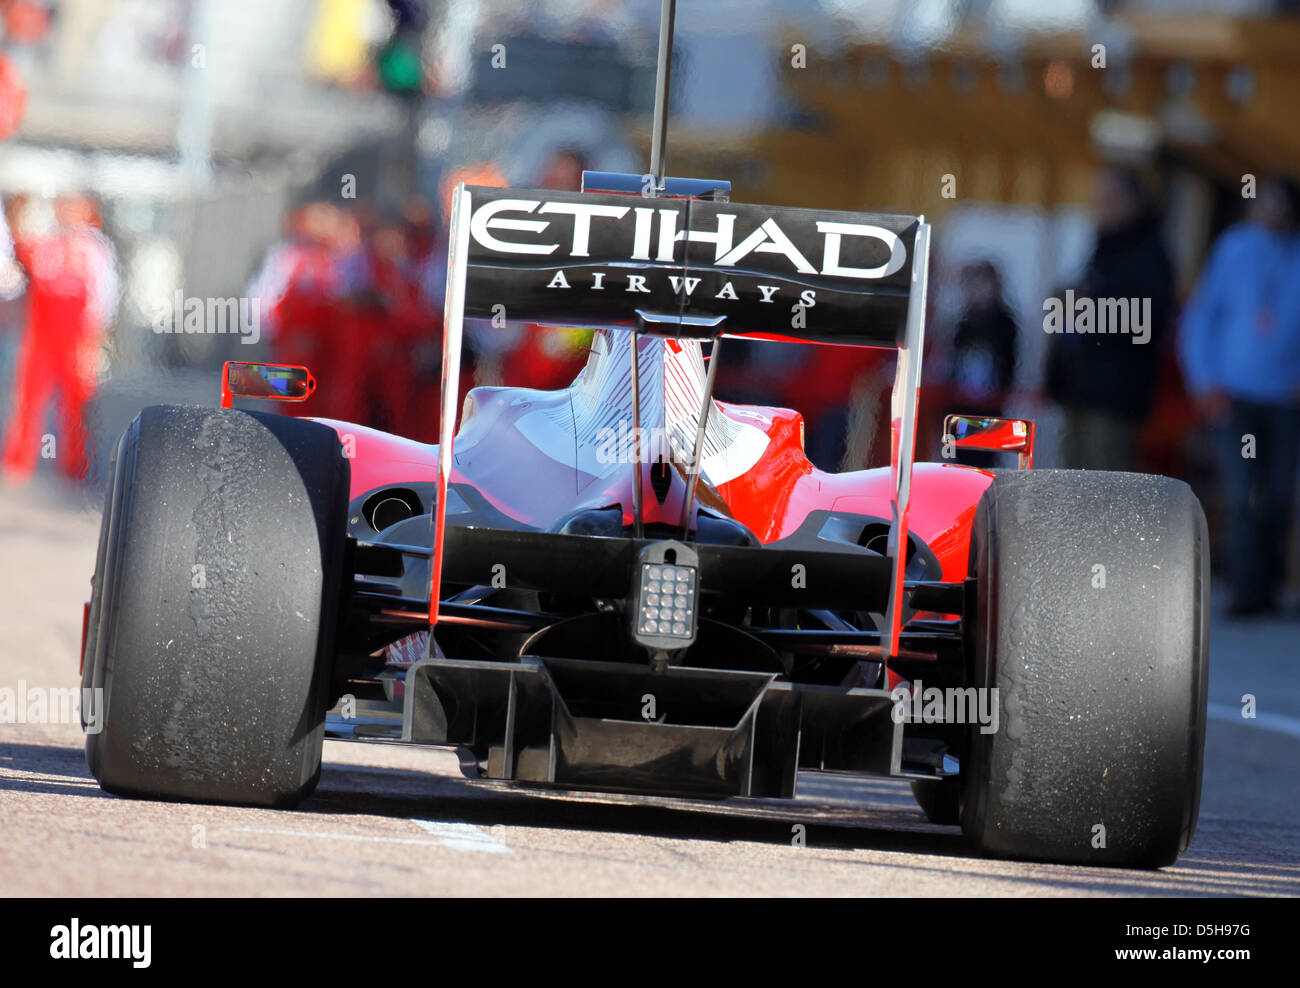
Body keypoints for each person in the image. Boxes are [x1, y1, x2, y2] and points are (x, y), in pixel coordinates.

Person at [1179, 175, 1300, 617]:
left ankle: (1268, 584)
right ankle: (1246, 590)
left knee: (1280, 492)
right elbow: (1203, 317)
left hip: (1285, 399)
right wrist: (1205, 381)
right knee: (1242, 491)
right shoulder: (1234, 249)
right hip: (1236, 395)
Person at [1045, 166, 1173, 471]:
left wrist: (1088, 305)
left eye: (1110, 199)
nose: (1101, 208)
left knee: (1104, 489)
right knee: (1069, 482)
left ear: (1133, 202)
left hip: (1114, 400)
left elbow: (1146, 322)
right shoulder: (1100, 250)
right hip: (1077, 392)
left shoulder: (1149, 257)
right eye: (1098, 199)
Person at [2, 194, 118, 483]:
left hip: (76, 336)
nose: (65, 212)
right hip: (41, 335)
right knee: (29, 397)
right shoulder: (44, 242)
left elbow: (106, 291)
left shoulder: (95, 248)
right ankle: (17, 462)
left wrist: (96, 333)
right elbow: (15, 271)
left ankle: (74, 466)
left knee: (76, 403)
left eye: (73, 206)